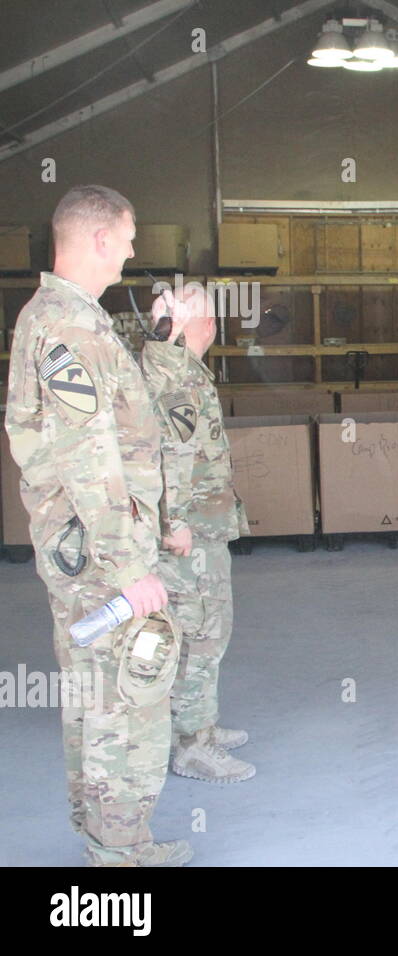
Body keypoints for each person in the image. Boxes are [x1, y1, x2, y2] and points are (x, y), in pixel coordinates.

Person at [4, 185, 191, 866]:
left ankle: (105, 838)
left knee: (92, 693)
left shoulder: (65, 317)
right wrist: (129, 567)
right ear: (101, 238)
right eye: (129, 238)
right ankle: (121, 853)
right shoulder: (70, 327)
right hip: (101, 555)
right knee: (125, 700)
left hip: (81, 548)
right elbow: (89, 456)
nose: (132, 252)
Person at [139, 285, 254, 784]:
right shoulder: (178, 377)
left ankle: (196, 725)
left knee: (200, 630)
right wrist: (176, 522)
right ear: (204, 326)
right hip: (192, 536)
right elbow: (169, 453)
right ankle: (192, 745)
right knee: (200, 636)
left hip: (201, 527)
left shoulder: (179, 371)